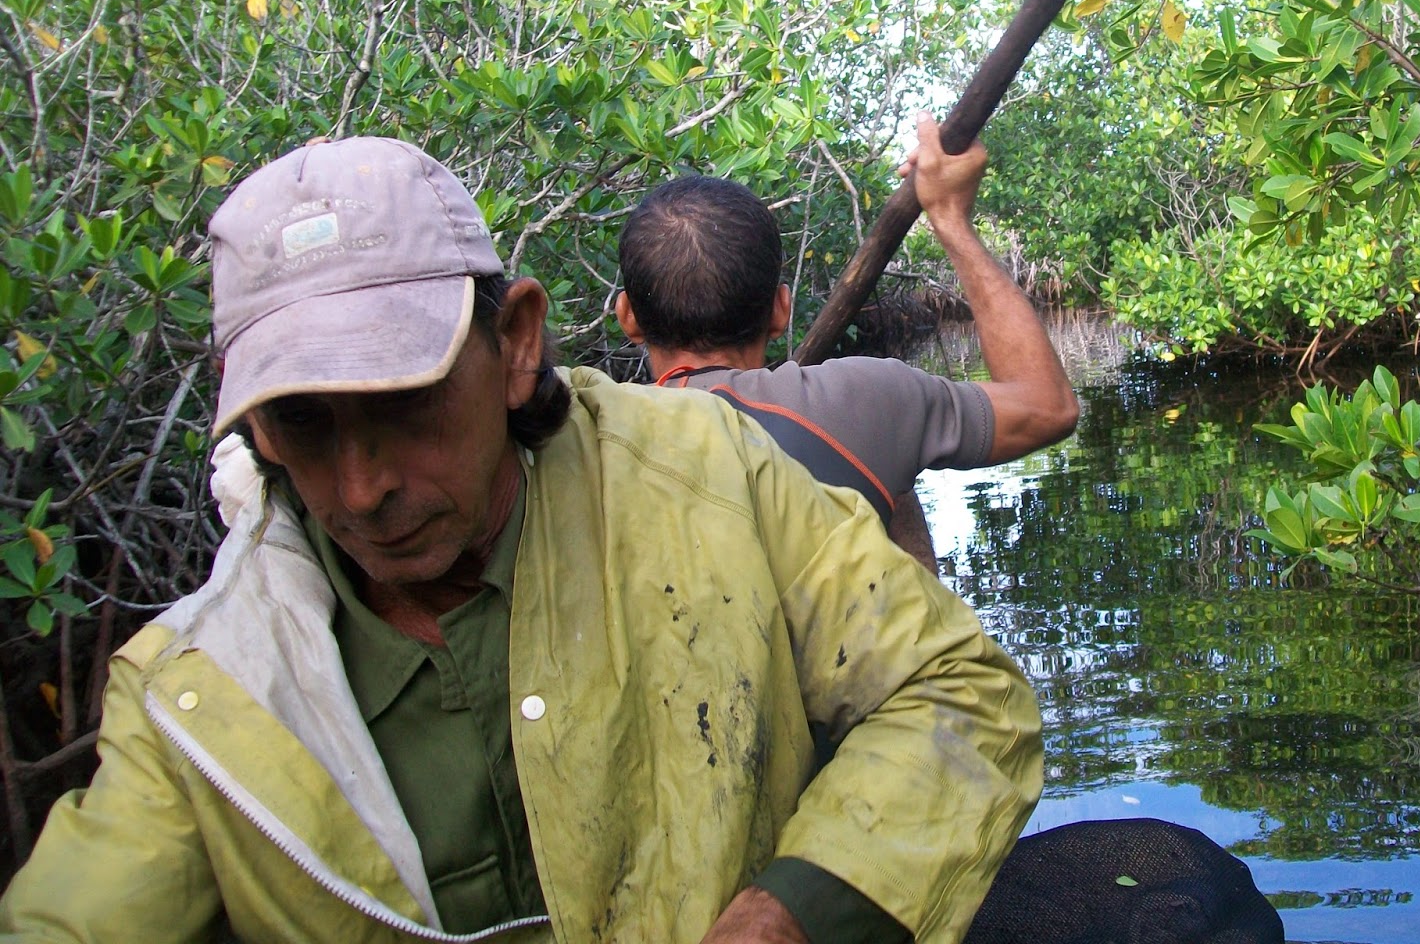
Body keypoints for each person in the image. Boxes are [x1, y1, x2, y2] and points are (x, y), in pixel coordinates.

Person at [0, 135, 1041, 944]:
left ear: (519, 343)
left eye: (402, 401)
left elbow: (958, 691)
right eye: (303, 424)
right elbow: (1042, 405)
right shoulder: (194, 690)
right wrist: (953, 220)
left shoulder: (712, 466)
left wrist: (792, 912)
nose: (362, 490)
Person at [615, 111, 1080, 571]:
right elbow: (1048, 407)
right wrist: (950, 218)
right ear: (781, 310)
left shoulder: (590, 438)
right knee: (894, 491)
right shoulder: (865, 400)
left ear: (627, 316)